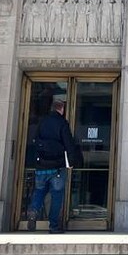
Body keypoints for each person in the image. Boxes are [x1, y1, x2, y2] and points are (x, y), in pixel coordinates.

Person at [26, 96, 83, 234]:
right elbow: (68, 144)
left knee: (39, 191)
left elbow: (34, 141)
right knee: (56, 196)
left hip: (41, 165)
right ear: (61, 109)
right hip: (57, 166)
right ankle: (53, 226)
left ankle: (33, 210)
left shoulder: (42, 122)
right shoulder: (62, 123)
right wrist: (72, 161)